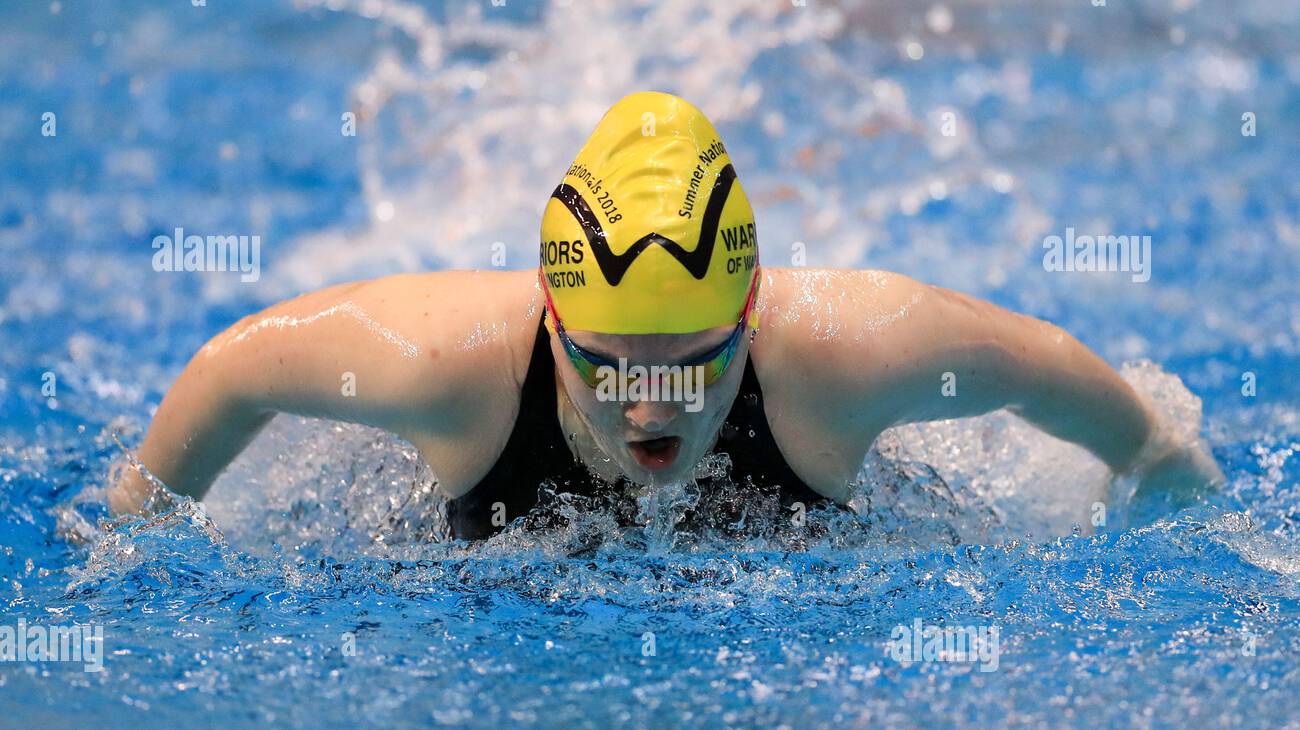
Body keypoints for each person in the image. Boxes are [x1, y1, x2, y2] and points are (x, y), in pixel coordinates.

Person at [109, 92, 1223, 539]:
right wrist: (132, 539)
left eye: (694, 361)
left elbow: (1041, 366)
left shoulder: (842, 353)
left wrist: (1166, 464)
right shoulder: (448, 366)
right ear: (549, 321)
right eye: (604, 362)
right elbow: (231, 370)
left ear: (749, 314)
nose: (651, 402)